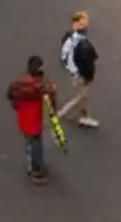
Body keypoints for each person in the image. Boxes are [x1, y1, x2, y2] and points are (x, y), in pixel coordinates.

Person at [6, 55, 57, 184]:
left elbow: (11, 96)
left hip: (24, 115)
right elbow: (51, 99)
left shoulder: (19, 83)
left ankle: (31, 165)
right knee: (36, 143)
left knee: (29, 140)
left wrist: (17, 107)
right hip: (35, 116)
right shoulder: (42, 86)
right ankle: (37, 170)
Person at [57, 11, 99, 128]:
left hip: (74, 71)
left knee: (84, 96)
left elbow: (65, 53)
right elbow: (89, 65)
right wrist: (88, 78)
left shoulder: (69, 37)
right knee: (80, 96)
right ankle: (63, 112)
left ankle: (85, 115)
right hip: (81, 75)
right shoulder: (86, 47)